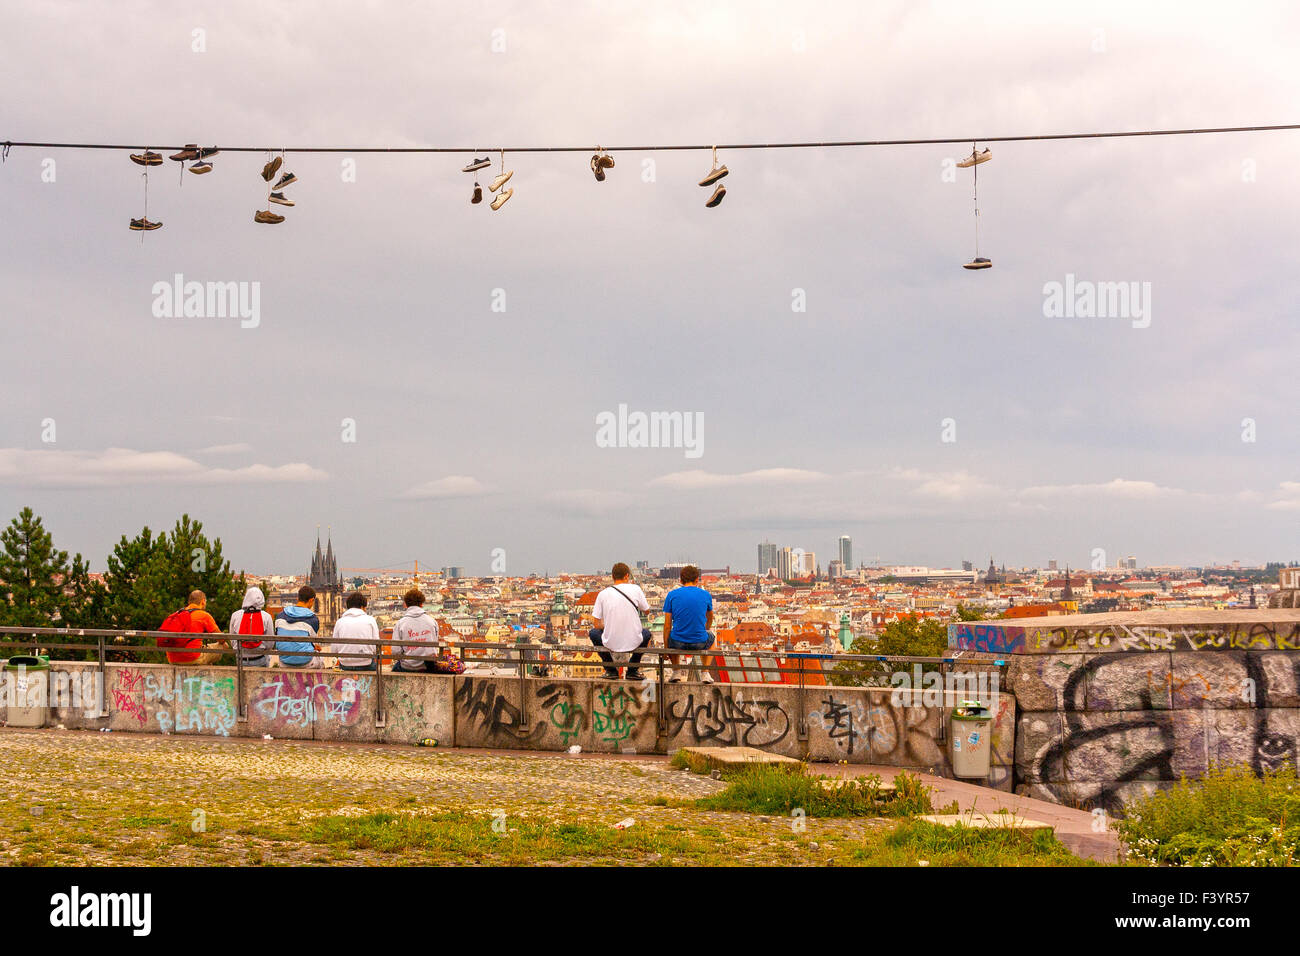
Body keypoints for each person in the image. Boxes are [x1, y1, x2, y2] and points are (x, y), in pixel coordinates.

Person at [588, 562, 651, 681]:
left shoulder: (603, 594)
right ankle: (632, 670)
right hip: (633, 640)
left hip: (610, 642)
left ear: (612, 576)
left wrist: (609, 626)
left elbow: (596, 624)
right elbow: (647, 611)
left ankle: (610, 670)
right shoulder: (635, 589)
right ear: (627, 576)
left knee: (593, 633)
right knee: (647, 634)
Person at [662, 565, 715, 683]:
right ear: (697, 580)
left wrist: (666, 648)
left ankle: (676, 671)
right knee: (712, 638)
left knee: (671, 635)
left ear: (681, 580)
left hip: (677, 642)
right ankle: (705, 672)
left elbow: (667, 626)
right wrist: (706, 629)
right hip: (699, 642)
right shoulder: (706, 595)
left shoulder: (671, 595)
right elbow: (710, 617)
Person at [159, 590, 229, 665]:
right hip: (193, 658)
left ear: (189, 602)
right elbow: (221, 639)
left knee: (204, 654)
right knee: (223, 646)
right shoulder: (204, 615)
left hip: (173, 659)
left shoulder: (176, 614)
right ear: (203, 601)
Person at [391, 588, 444, 672]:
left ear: (406, 604)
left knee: (394, 670)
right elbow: (434, 643)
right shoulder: (432, 621)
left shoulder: (400, 623)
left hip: (408, 666)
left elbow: (395, 651)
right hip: (428, 666)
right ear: (421, 604)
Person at [275, 585, 322, 668]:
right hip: (306, 662)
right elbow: (314, 643)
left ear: (298, 598)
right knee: (321, 659)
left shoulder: (280, 616)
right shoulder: (312, 619)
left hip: (284, 662)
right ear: (311, 600)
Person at [332, 591, 381, 671]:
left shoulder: (339, 622)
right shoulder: (370, 620)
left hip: (345, 664)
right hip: (366, 663)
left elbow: (334, 650)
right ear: (362, 607)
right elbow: (376, 648)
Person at [228, 585, 274, 667]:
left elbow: (232, 639)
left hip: (241, 658)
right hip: (260, 658)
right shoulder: (266, 616)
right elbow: (270, 643)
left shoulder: (235, 615)